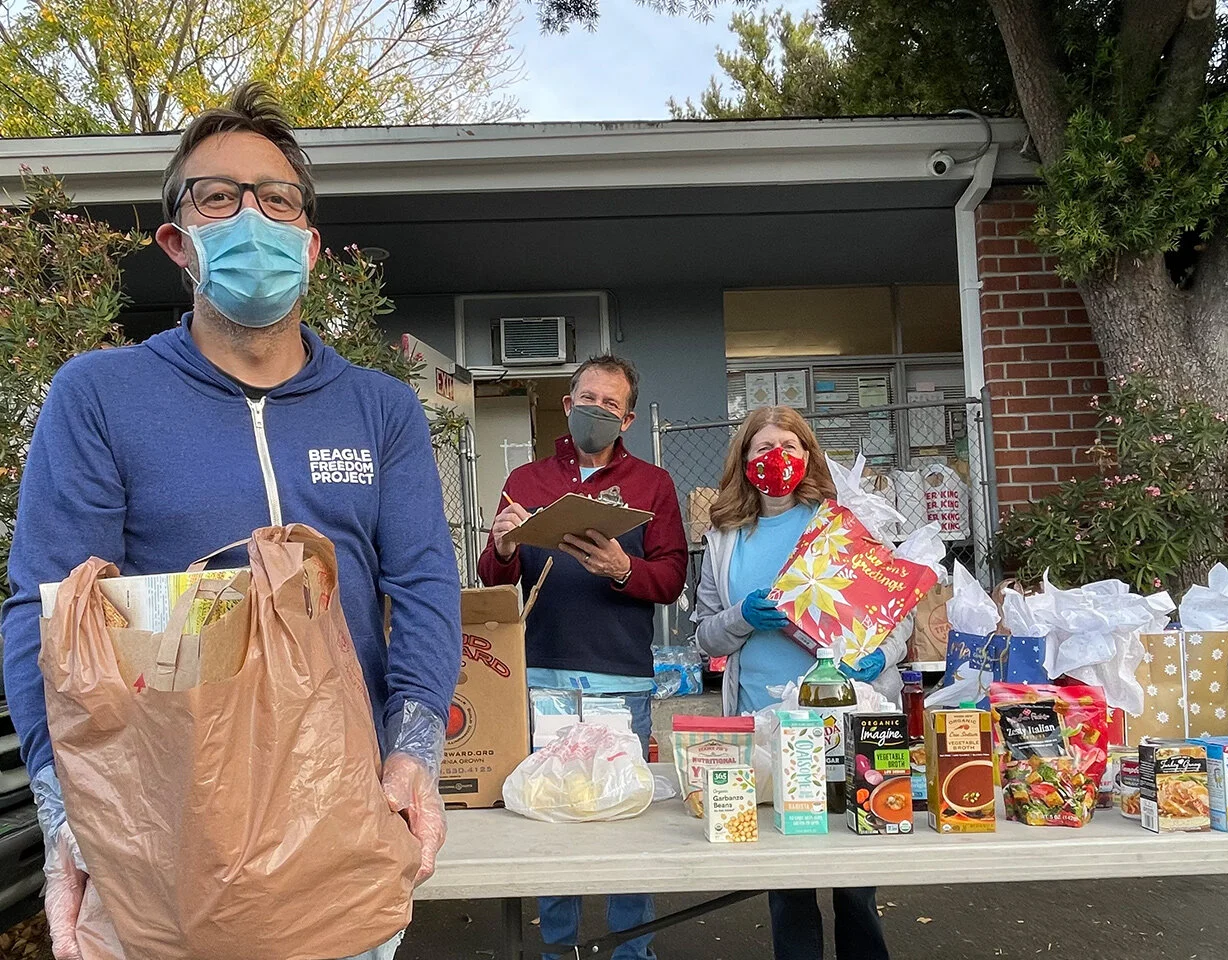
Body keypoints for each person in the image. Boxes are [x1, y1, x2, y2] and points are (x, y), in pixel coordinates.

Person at [0, 84, 461, 960]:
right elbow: (47, 610)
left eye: (276, 198)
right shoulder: (101, 397)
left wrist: (414, 757)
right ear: (180, 239)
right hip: (166, 837)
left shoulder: (381, 412)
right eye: (219, 196)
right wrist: (70, 811)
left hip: (342, 822)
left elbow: (427, 588)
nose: (252, 214)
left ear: (310, 245)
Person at [478, 354, 688, 960]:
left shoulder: (653, 485)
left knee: (623, 817)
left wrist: (626, 569)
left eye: (609, 404)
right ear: (567, 406)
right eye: (585, 398)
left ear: (626, 419)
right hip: (539, 671)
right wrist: (503, 543)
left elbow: (672, 575)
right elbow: (495, 579)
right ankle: (559, 950)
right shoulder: (526, 481)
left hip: (619, 678)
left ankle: (631, 950)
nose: (595, 410)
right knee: (551, 819)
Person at [694, 405, 903, 960]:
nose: (777, 458)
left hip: (845, 718)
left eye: (790, 446)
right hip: (766, 727)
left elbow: (894, 613)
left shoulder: (841, 521)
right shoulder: (724, 537)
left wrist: (880, 654)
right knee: (786, 882)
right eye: (762, 448)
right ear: (743, 460)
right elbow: (706, 638)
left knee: (856, 879)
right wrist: (742, 616)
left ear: (809, 454)